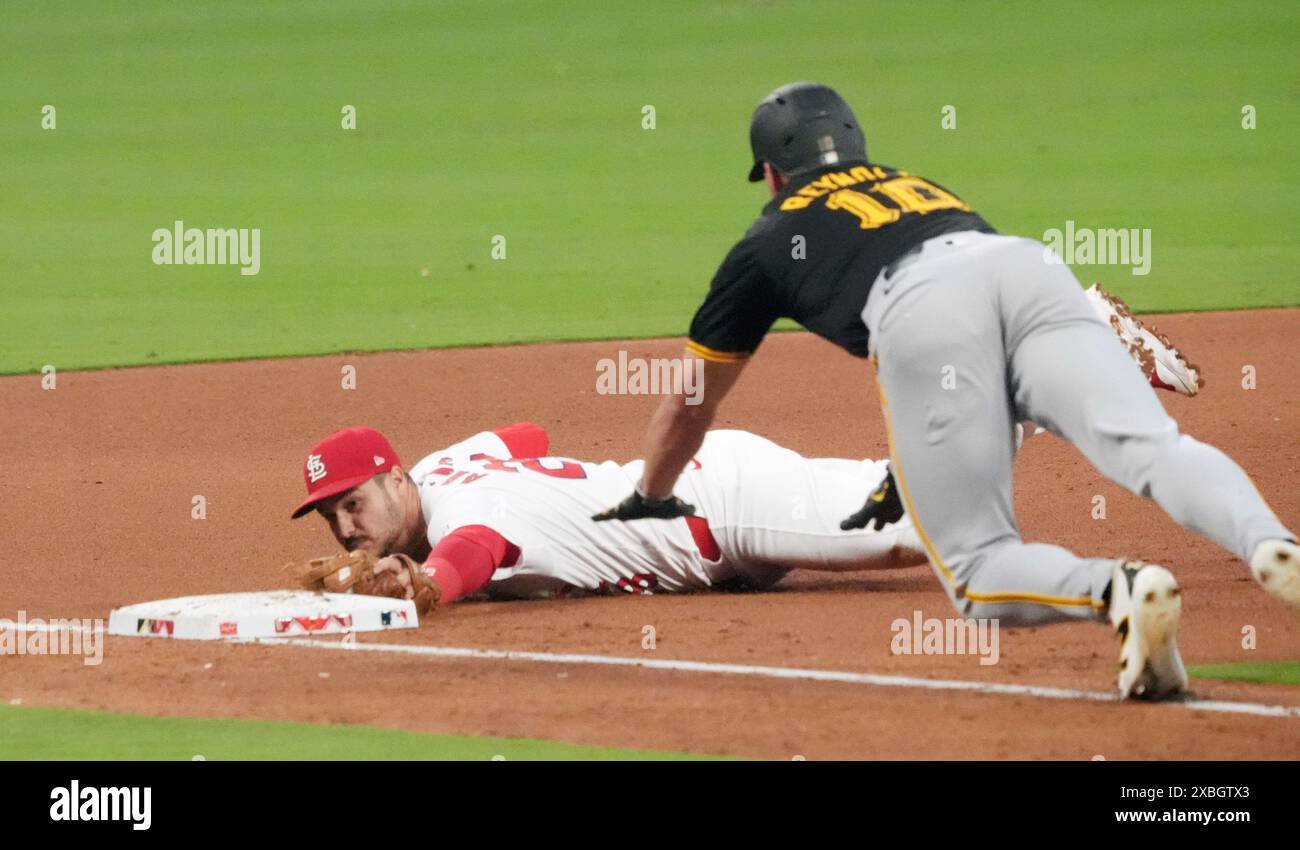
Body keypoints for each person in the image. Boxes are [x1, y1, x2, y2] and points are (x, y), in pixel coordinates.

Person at [593, 81, 1298, 700]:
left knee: (978, 571)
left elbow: (691, 403)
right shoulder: (913, 185)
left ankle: (1118, 590)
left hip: (925, 312)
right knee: (1153, 450)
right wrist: (911, 472)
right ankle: (1272, 542)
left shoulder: (765, 240)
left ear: (772, 174)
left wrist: (651, 496)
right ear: (854, 146)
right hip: (1025, 266)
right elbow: (978, 348)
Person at [289, 423, 926, 603]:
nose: (346, 529)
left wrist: (425, 584)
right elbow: (526, 436)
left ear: (396, 480)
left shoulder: (467, 507)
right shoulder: (445, 467)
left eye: (354, 504)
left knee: (912, 531)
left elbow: (472, 549)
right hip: (705, 494)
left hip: (728, 506)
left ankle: (1013, 386)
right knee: (903, 483)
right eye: (331, 516)